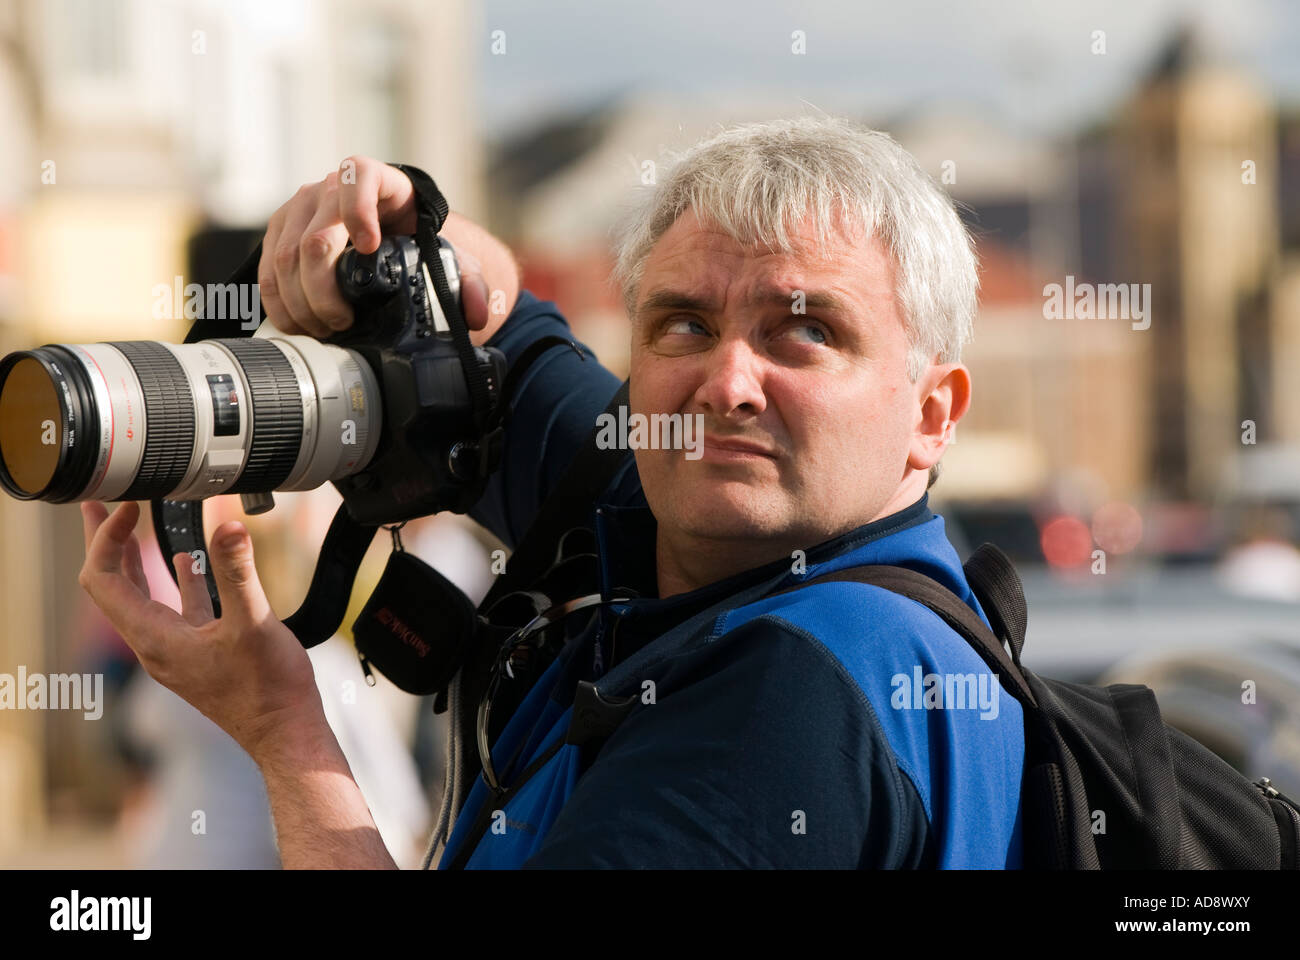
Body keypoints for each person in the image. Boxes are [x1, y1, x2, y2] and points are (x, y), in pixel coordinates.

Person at [79, 116, 1025, 869]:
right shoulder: (684, 523)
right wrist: (411, 230)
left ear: (933, 413)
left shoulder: (796, 688)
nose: (728, 381)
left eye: (804, 332)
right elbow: (508, 353)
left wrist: (285, 738)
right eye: (685, 324)